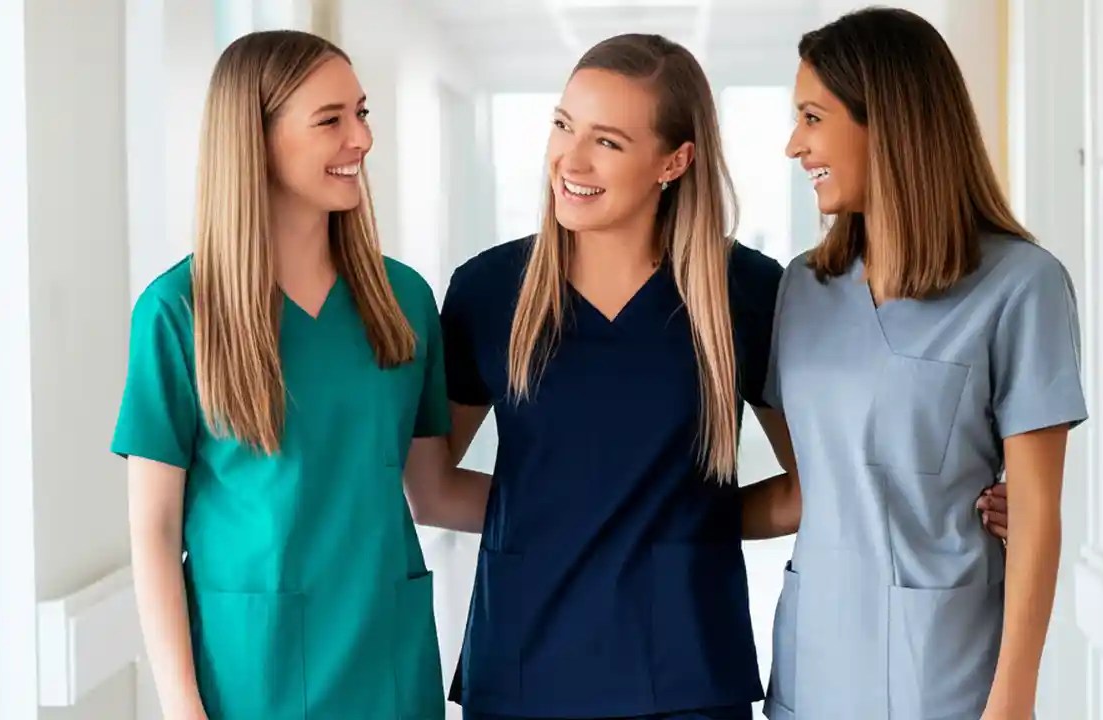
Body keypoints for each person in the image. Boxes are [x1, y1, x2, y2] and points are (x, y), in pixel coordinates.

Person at [401, 33, 1011, 720]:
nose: (570, 160)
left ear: (674, 161)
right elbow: (432, 492)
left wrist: (963, 495)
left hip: (686, 672)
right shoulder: (489, 290)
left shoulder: (744, 292)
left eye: (607, 141)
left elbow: (820, 479)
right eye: (564, 126)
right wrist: (572, 512)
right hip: (524, 666)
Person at [112, 30, 448, 719]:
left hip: (386, 655)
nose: (360, 138)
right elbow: (154, 526)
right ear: (254, 138)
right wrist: (181, 708)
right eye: (331, 120)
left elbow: (432, 488)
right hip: (248, 672)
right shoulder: (178, 311)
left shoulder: (404, 300)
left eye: (362, 113)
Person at [763, 9, 1088, 720]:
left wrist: (1013, 702)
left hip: (948, 673)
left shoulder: (1021, 285)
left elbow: (1035, 516)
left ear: (885, 117)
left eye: (812, 117)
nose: (795, 144)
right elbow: (806, 487)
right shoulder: (801, 289)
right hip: (811, 663)